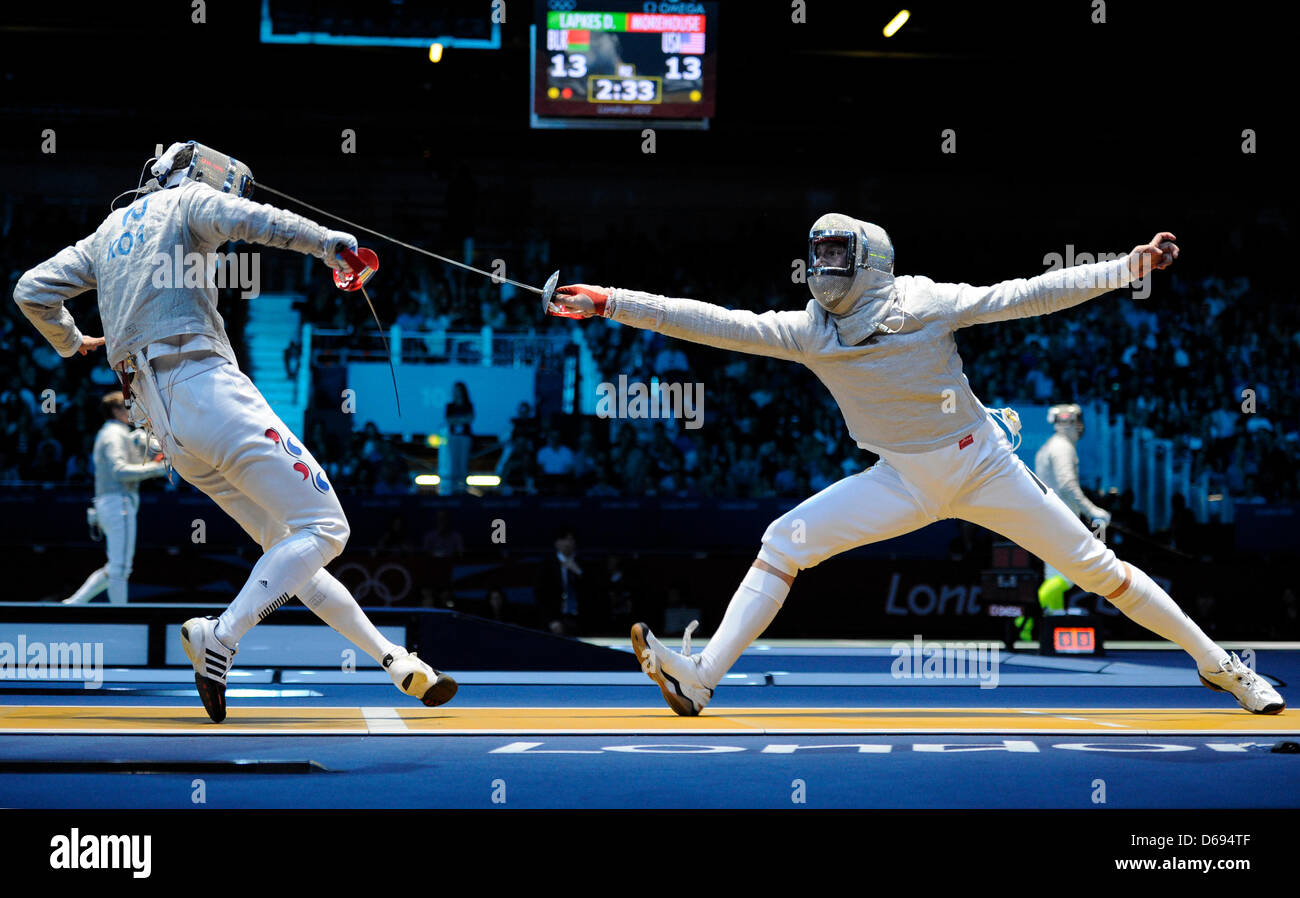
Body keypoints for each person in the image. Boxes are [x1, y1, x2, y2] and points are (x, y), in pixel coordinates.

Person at [548, 213, 1283, 716]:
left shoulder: (925, 304)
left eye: (837, 256)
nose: (822, 269)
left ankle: (1225, 667)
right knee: (783, 542)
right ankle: (702, 678)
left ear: (868, 262)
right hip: (902, 478)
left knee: (1101, 572)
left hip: (985, 466)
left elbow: (1031, 295)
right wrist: (610, 302)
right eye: (818, 256)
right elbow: (706, 319)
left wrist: (1129, 267)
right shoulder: (807, 332)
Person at [13, 140, 457, 722]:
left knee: (291, 550)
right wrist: (330, 245)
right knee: (325, 526)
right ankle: (220, 636)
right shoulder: (186, 201)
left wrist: (73, 343)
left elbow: (30, 290)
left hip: (164, 430)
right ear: (187, 173)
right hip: (205, 388)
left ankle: (397, 662)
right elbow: (259, 222)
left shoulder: (106, 233)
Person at [62, 391, 168, 604]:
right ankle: (121, 618)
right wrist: (157, 470)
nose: (132, 412)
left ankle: (72, 605)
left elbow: (139, 456)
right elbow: (119, 471)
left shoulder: (120, 434)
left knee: (114, 567)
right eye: (127, 408)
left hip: (114, 502)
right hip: (118, 503)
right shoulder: (113, 434)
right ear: (115, 410)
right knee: (120, 568)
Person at [1016, 403, 1110, 639]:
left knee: (1055, 576)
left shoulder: (1050, 446)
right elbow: (1067, 485)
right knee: (1067, 577)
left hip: (1049, 520)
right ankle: (1027, 618)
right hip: (1059, 521)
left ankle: (1045, 625)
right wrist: (1093, 511)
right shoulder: (1062, 447)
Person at [440, 381, 474, 495]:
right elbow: (449, 420)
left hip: (465, 437)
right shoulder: (450, 406)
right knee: (454, 463)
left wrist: (457, 419)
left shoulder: (468, 405)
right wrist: (461, 419)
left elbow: (470, 418)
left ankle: (463, 489)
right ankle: (453, 489)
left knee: (463, 463)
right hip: (453, 437)